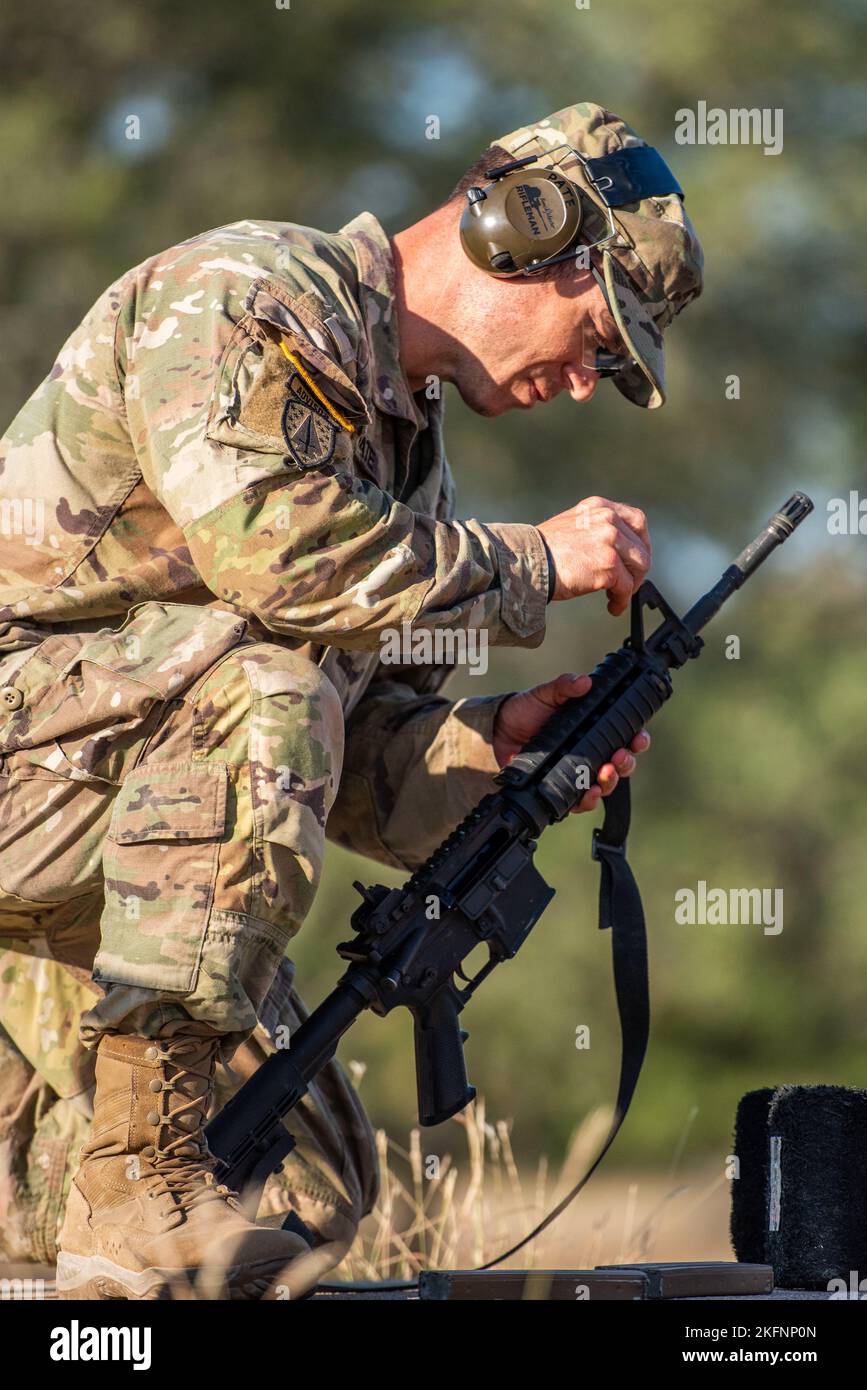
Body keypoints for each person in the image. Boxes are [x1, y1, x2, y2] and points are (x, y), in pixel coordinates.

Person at [0, 100, 703, 1299]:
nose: (585, 381)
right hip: (30, 771)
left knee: (300, 1185)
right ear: (519, 227)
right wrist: (532, 561)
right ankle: (131, 1187)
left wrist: (489, 750)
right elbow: (274, 560)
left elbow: (343, 756)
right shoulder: (251, 291)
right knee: (266, 672)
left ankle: (68, 1244)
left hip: (117, 822)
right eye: (597, 334)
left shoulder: (411, 464)